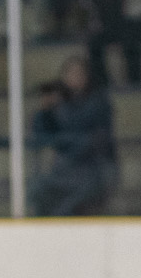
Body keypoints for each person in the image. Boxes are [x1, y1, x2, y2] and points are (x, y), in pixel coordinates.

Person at [30, 53, 117, 215]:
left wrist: (65, 143)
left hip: (93, 171)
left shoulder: (98, 102)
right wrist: (45, 111)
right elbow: (41, 135)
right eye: (70, 73)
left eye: (79, 73)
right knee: (37, 191)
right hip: (64, 171)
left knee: (66, 209)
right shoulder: (60, 103)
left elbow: (96, 140)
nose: (74, 78)